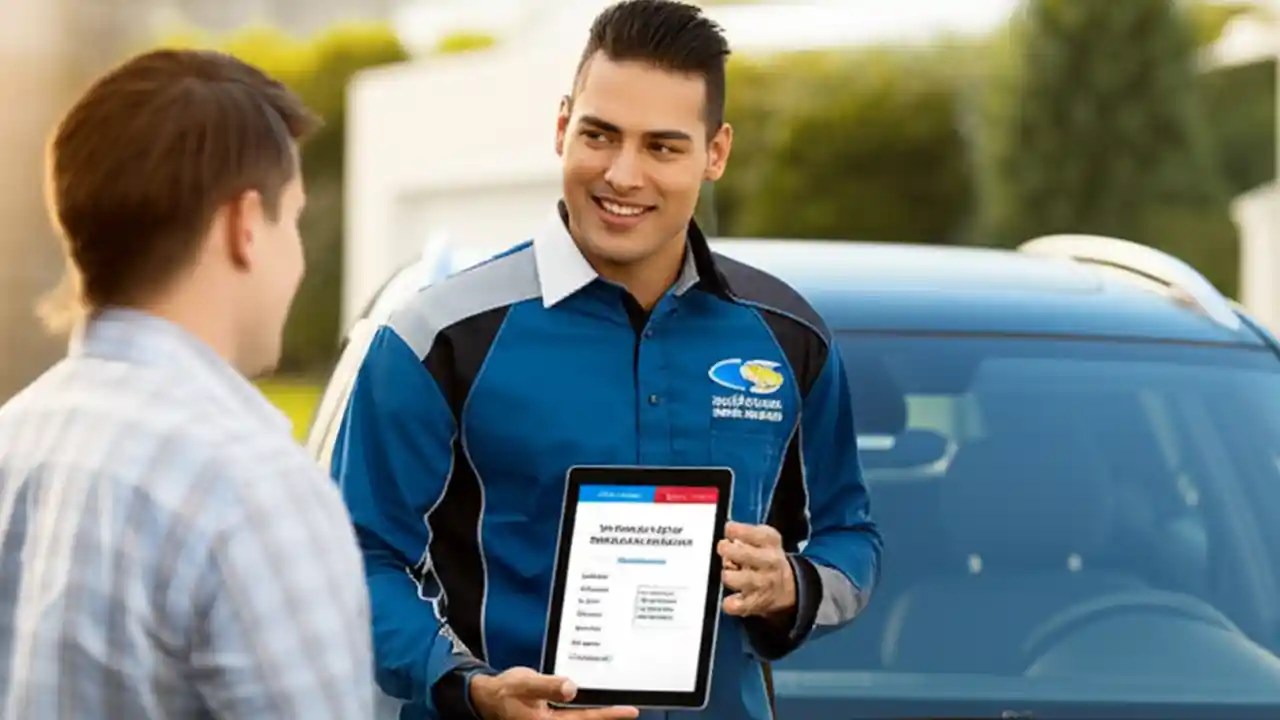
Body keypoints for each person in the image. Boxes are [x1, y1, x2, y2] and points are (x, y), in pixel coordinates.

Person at [329, 1, 882, 718]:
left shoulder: (787, 338)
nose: (622, 174)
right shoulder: (436, 340)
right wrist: (465, 683)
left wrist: (792, 585)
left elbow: (851, 536)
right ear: (563, 126)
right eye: (600, 135)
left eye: (661, 146)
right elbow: (351, 562)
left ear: (715, 153)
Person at [0, 49, 375, 719]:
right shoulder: (255, 487)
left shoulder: (16, 433)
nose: (297, 254)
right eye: (290, 218)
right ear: (243, 226)